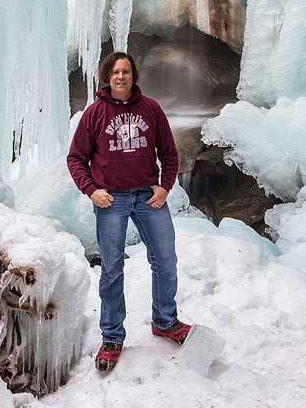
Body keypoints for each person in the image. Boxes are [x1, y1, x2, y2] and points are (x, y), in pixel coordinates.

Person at [67, 50, 191, 371]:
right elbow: (76, 159)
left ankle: (165, 321)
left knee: (165, 259)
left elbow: (169, 153)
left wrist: (165, 186)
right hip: (112, 199)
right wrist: (91, 190)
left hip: (148, 196)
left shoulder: (151, 109)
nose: (121, 76)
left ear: (133, 75)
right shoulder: (95, 113)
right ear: (107, 77)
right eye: (115, 72)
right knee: (111, 268)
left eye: (126, 71)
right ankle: (111, 336)